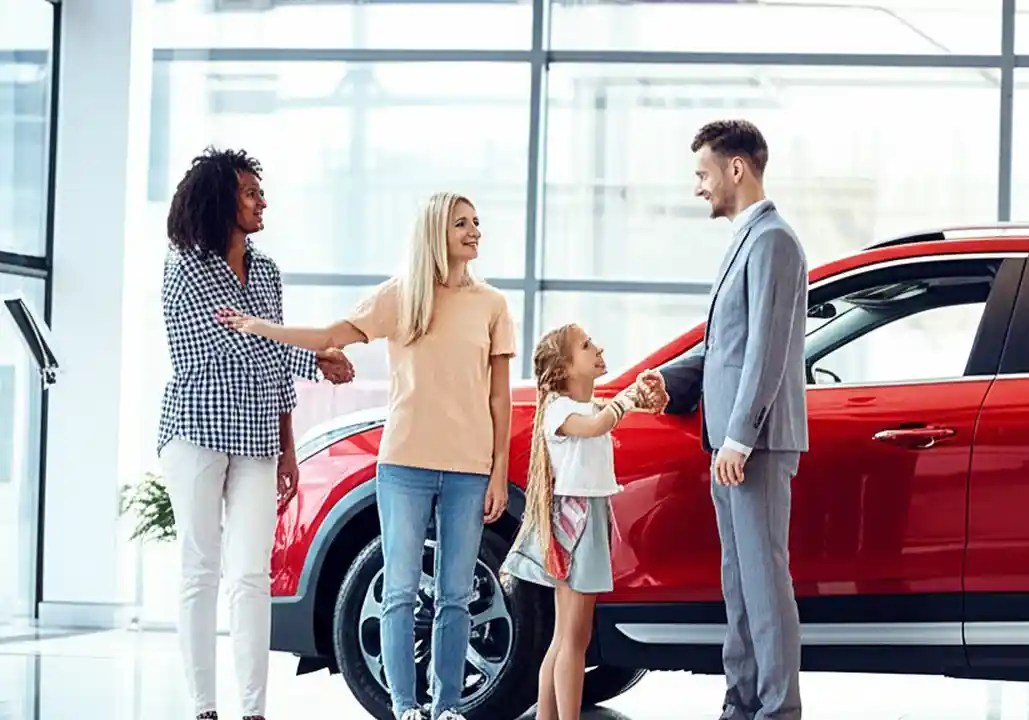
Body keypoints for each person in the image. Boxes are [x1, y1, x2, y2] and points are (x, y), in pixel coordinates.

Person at [216, 191, 516, 720]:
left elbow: (498, 396)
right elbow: (332, 335)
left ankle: (445, 707)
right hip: (404, 466)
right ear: (434, 234)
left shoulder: (492, 304)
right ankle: (405, 707)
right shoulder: (399, 298)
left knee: (455, 595)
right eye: (461, 224)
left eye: (476, 223)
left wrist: (497, 474)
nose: (474, 232)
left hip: (470, 471)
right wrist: (261, 327)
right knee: (400, 590)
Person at [157, 146, 354, 720]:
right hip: (195, 431)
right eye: (250, 192)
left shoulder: (266, 270)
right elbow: (239, 346)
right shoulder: (185, 267)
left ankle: (252, 711)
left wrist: (289, 446)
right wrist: (317, 356)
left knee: (251, 573)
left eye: (260, 191)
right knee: (201, 568)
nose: (261, 200)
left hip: (258, 439)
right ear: (221, 199)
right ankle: (203, 707)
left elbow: (265, 362)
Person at [642, 120, 809, 720]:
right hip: (728, 445)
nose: (698, 188)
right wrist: (670, 378)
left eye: (702, 173)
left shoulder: (773, 241)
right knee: (739, 587)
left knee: (764, 588)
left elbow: (766, 349)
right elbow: (726, 345)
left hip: (752, 446)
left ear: (736, 169)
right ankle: (742, 702)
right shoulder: (748, 239)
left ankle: (776, 710)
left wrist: (740, 435)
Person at [500, 323, 662, 720]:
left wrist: (645, 395)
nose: (598, 347)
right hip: (576, 524)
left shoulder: (583, 407)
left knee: (567, 636)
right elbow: (597, 425)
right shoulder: (560, 411)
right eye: (587, 346)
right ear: (564, 368)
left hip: (587, 518)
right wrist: (627, 400)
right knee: (574, 638)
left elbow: (603, 418)